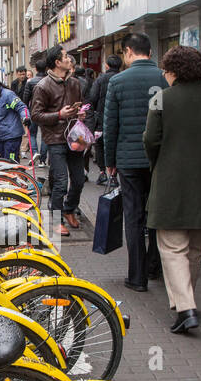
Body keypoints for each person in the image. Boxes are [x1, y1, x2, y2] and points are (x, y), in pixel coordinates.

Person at [144, 46, 201, 334]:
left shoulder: (161, 100)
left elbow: (151, 140)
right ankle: (186, 301)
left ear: (174, 72)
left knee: (172, 247)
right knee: (195, 248)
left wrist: (162, 162)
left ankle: (185, 308)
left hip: (169, 182)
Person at [104, 33, 169, 291]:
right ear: (150, 53)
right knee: (156, 214)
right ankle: (155, 267)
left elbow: (111, 126)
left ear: (128, 52)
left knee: (133, 217)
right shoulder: (165, 78)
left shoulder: (118, 82)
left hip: (128, 159)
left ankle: (137, 277)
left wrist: (109, 160)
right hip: (159, 159)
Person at [30, 45, 87, 236]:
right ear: (57, 62)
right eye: (65, 57)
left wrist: (81, 114)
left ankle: (70, 209)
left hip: (75, 137)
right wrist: (59, 115)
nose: (69, 59)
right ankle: (56, 220)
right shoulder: (43, 86)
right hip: (54, 139)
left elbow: (80, 105)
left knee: (79, 179)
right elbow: (36, 115)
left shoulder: (75, 83)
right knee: (61, 182)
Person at [86, 54, 123, 185]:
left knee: (100, 146)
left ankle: (102, 173)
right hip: (119, 119)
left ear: (106, 65)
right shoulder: (122, 78)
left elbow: (92, 98)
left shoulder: (100, 80)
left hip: (102, 119)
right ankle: (114, 175)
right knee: (116, 146)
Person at [0, 73, 29, 162]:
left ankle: (17, 175)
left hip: (12, 136)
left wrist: (25, 117)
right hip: (0, 136)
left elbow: (21, 107)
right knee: (1, 163)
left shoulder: (8, 95)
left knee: (10, 163)